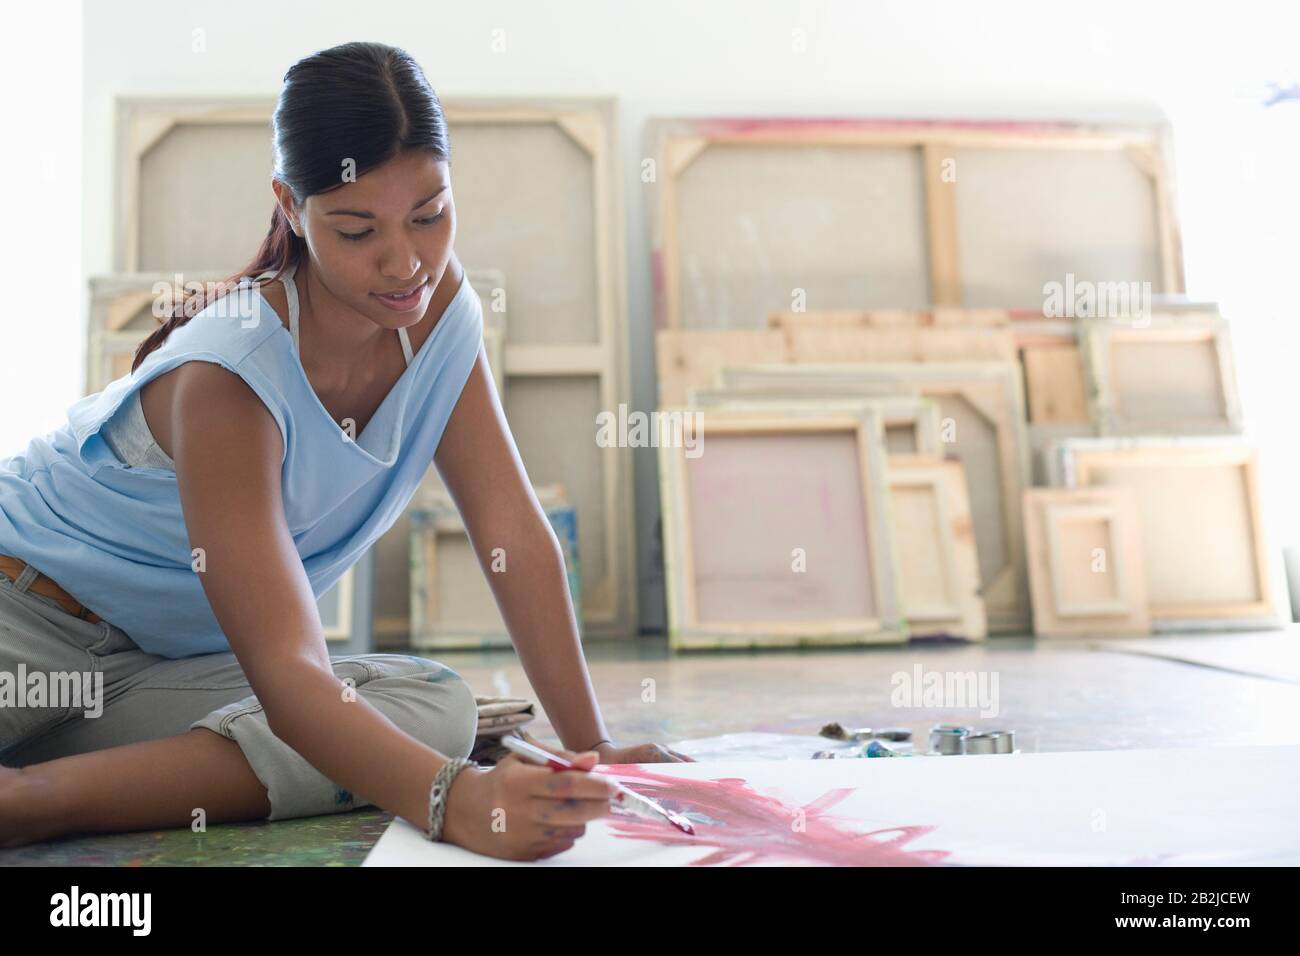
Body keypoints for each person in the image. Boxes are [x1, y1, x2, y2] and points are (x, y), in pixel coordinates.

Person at [0, 41, 689, 862]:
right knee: (357, 726)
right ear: (290, 206)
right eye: (359, 230)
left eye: (430, 215)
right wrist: (452, 802)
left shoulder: (440, 317)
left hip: (150, 672)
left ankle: (26, 800)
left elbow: (511, 534)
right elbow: (291, 678)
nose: (406, 264)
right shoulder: (232, 373)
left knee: (431, 706)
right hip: (23, 627)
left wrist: (591, 747)